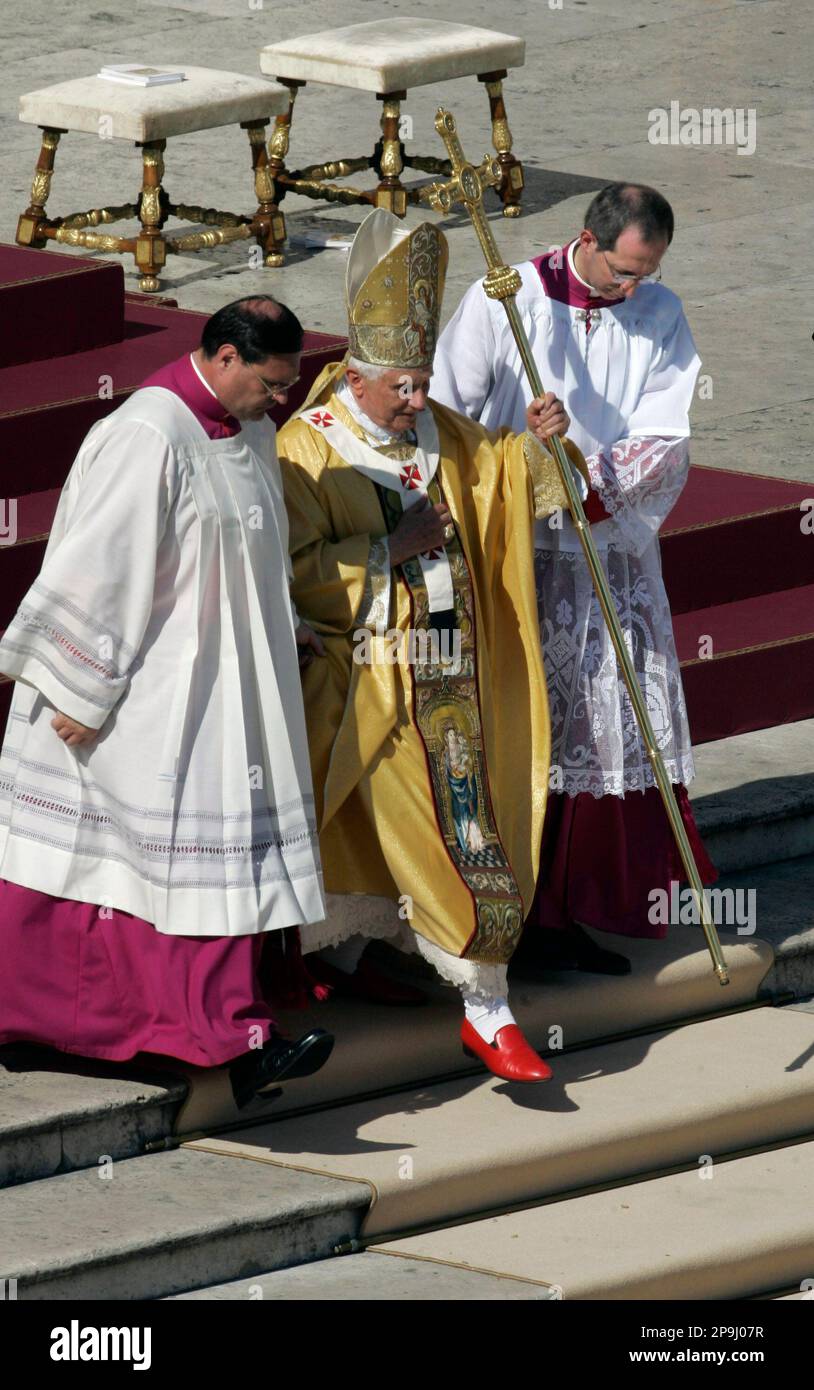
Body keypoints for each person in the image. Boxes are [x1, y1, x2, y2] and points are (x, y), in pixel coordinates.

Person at [0, 296, 333, 1109]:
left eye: (290, 384)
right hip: (141, 698)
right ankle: (217, 1039)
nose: (282, 400)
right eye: (272, 382)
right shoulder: (148, 436)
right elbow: (97, 566)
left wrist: (283, 621)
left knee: (194, 865)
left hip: (228, 686)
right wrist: (80, 685)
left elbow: (255, 539)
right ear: (222, 357)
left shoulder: (247, 426)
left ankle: (226, 1036)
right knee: (130, 869)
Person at [277, 209, 578, 1084]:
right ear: (358, 381)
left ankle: (351, 960)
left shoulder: (439, 428)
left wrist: (541, 447)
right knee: (455, 840)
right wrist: (384, 551)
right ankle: (488, 1009)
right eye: (404, 388)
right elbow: (290, 572)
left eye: (421, 382)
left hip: (460, 673)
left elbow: (503, 479)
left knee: (437, 831)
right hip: (371, 683)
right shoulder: (309, 448)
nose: (420, 401)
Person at [431, 183, 717, 976]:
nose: (632, 289)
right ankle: (498, 910)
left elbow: (667, 432)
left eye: (646, 272)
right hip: (517, 551)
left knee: (599, 727)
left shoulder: (659, 312)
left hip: (606, 549)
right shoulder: (504, 301)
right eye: (622, 270)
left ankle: (571, 906)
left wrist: (590, 487)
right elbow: (444, 421)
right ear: (583, 238)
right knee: (526, 729)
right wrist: (525, 448)